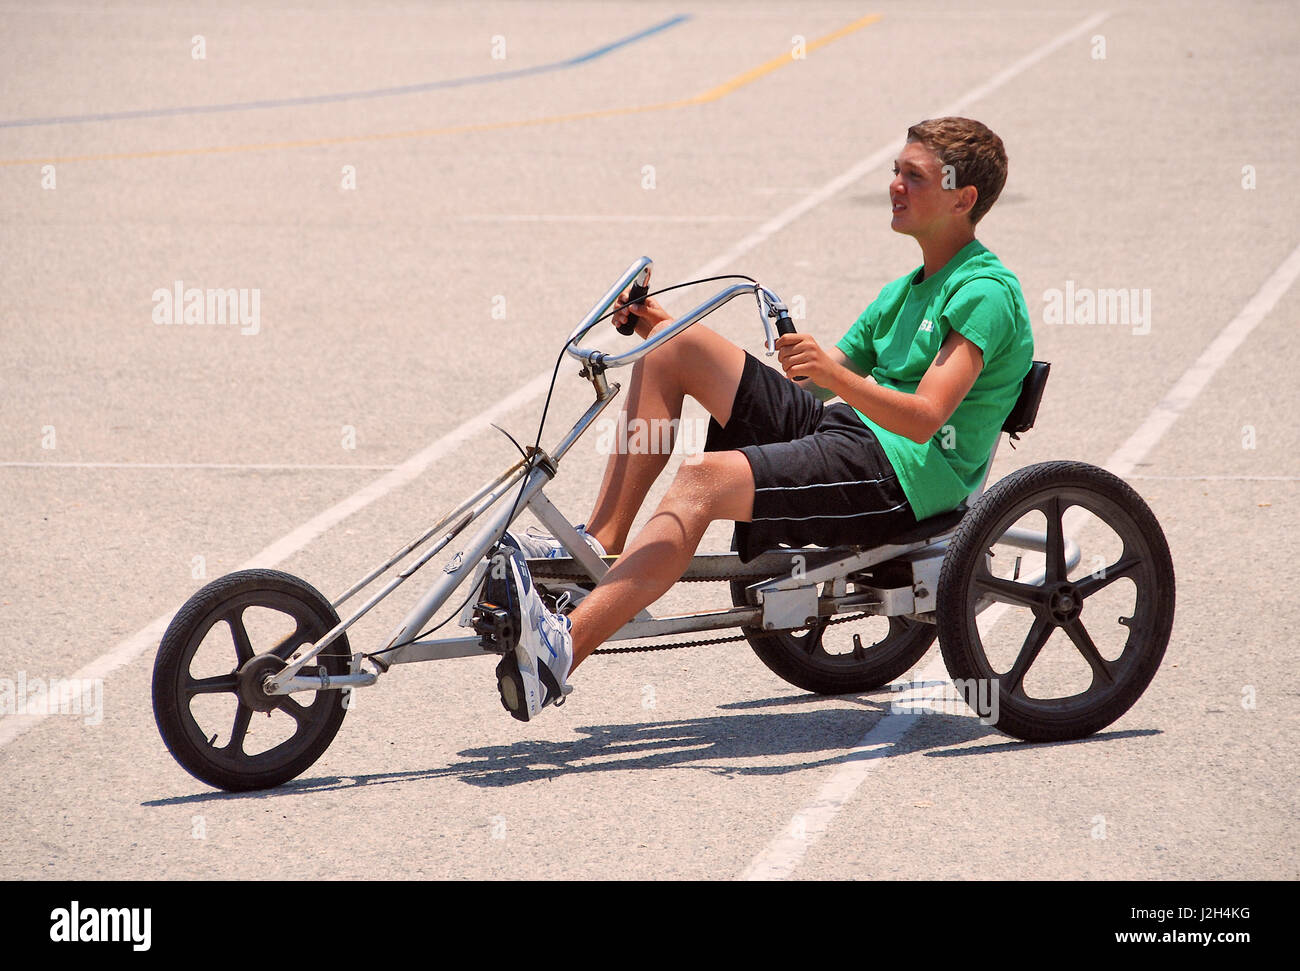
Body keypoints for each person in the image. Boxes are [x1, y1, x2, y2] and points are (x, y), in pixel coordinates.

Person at [485, 117, 1035, 722]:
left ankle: (558, 656)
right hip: (852, 433)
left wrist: (836, 377)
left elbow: (927, 418)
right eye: (895, 171)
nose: (894, 185)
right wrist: (654, 323)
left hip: (904, 472)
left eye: (914, 176)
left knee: (704, 480)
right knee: (673, 344)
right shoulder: (909, 289)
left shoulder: (984, 291)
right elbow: (809, 380)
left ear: (963, 199)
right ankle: (601, 547)